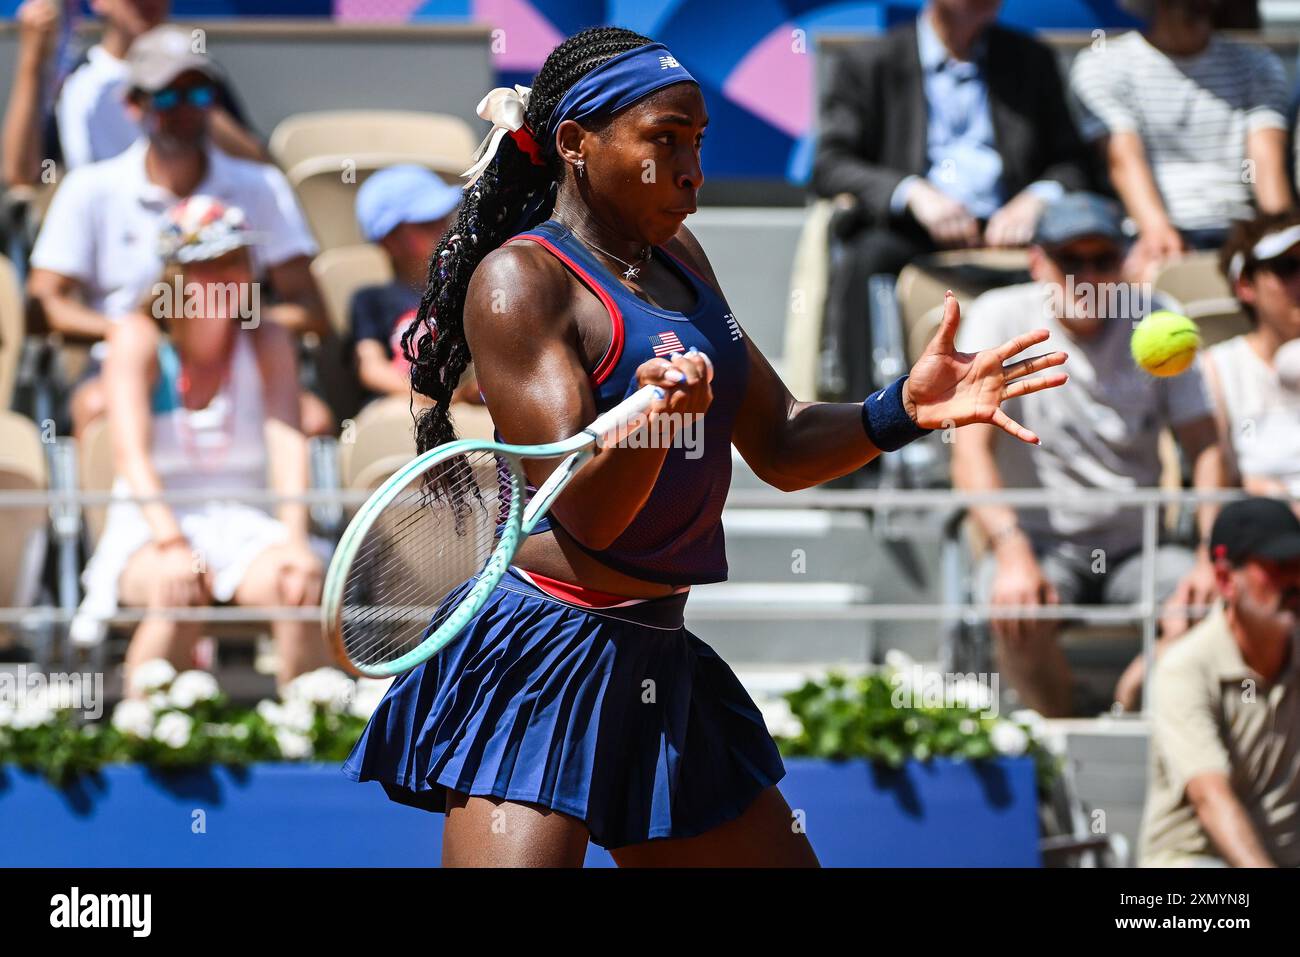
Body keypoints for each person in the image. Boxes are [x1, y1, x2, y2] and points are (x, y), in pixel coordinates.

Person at [343, 27, 1069, 867]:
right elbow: (589, 515)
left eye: (697, 142)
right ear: (576, 145)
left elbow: (784, 443)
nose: (690, 170)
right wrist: (653, 426)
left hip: (658, 654)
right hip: (539, 658)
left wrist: (899, 408)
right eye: (663, 140)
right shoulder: (521, 283)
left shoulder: (680, 258)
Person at [953, 193, 1224, 718]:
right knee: (1012, 605)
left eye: (1102, 260)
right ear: (1037, 263)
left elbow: (1206, 445)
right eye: (1069, 261)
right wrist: (1010, 553)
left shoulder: (1159, 318)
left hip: (1138, 548)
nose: (1088, 276)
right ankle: (1064, 743)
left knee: (1218, 602)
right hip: (1037, 545)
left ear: (1124, 262)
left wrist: (1212, 556)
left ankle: (1131, 701)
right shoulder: (999, 318)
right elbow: (968, 454)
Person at [70, 196, 333, 695]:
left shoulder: (268, 337)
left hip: (248, 521)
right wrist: (172, 546)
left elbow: (287, 440)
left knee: (297, 585)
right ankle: (141, 734)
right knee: (182, 586)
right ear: (175, 276)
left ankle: (308, 738)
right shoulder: (137, 337)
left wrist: (296, 540)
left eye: (235, 260)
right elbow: (130, 456)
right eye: (208, 265)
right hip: (153, 526)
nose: (227, 276)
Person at [25, 24, 329, 437]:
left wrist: (223, 324)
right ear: (133, 104)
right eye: (167, 96)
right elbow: (41, 305)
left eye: (199, 95)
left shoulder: (261, 186)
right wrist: (132, 331)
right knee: (96, 408)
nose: (185, 109)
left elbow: (312, 311)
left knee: (313, 420)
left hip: (240, 369)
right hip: (124, 366)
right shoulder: (89, 189)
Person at [810, 0, 1090, 401]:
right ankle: (863, 434)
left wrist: (1034, 199)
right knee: (864, 259)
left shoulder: (1030, 60)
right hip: (912, 232)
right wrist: (912, 192)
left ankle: (1072, 414)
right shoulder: (872, 62)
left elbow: (1074, 163)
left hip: (1013, 235)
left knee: (1091, 260)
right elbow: (829, 164)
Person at [1070, 0, 1291, 281]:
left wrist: (1282, 239)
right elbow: (1124, 159)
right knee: (1149, 280)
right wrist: (1158, 234)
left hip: (1241, 232)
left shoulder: (1258, 65)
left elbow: (1267, 160)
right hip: (1151, 233)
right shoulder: (1102, 65)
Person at [1139, 497, 1300, 868]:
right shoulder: (1185, 668)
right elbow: (1210, 799)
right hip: (1195, 860)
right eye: (1278, 566)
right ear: (1226, 579)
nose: (1295, 579)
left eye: (1299, 564)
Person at [2, 3, 266, 188]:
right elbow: (22, 175)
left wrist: (191, 97)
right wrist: (33, 61)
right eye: (160, 97)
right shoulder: (77, 82)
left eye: (192, 94)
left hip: (189, 236)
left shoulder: (198, 70)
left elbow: (259, 165)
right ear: (131, 103)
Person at [349, 164, 477, 406]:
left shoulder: (468, 287)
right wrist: (424, 394)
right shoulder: (371, 300)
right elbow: (370, 367)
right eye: (426, 223)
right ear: (389, 241)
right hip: (408, 412)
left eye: (444, 218)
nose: (444, 229)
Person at [1202, 212, 1300, 498]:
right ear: (1245, 284)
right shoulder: (1218, 367)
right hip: (1261, 532)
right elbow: (1218, 478)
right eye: (1287, 267)